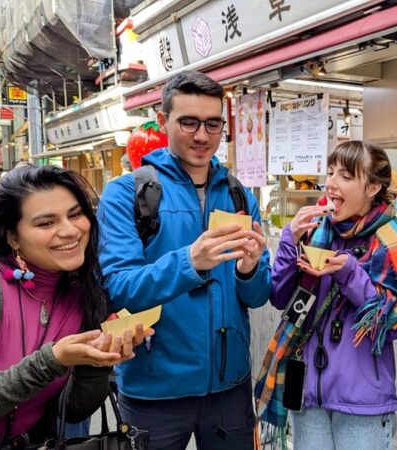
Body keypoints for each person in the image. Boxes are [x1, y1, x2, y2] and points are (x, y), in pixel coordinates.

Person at [98, 71, 271, 450]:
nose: (202, 136)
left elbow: (259, 297)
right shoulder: (126, 193)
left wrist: (250, 269)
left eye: (213, 124)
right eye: (188, 122)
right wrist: (190, 261)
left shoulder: (240, 195)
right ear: (163, 121)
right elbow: (117, 287)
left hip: (229, 385)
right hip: (154, 389)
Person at [0, 165, 152, 448]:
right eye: (46, 223)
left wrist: (98, 362)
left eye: (75, 214)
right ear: (11, 235)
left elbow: (73, 411)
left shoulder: (80, 291)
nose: (70, 231)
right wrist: (50, 362)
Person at [256, 141, 397, 450]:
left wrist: (349, 273)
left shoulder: (393, 238)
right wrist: (291, 238)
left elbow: (392, 323)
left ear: (372, 187)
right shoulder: (318, 231)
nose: (330, 183)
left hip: (362, 401)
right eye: (330, 173)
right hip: (308, 393)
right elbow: (280, 297)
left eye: (345, 175)